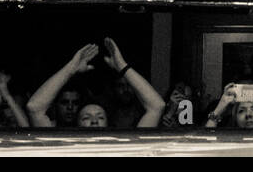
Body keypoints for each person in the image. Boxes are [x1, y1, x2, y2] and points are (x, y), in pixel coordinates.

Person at [26, 39, 164, 128]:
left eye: (100, 117)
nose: (94, 121)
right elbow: (34, 108)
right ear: (77, 124)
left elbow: (156, 106)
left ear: (108, 124)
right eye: (86, 117)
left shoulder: (122, 149)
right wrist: (70, 69)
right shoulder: (62, 148)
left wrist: (122, 67)